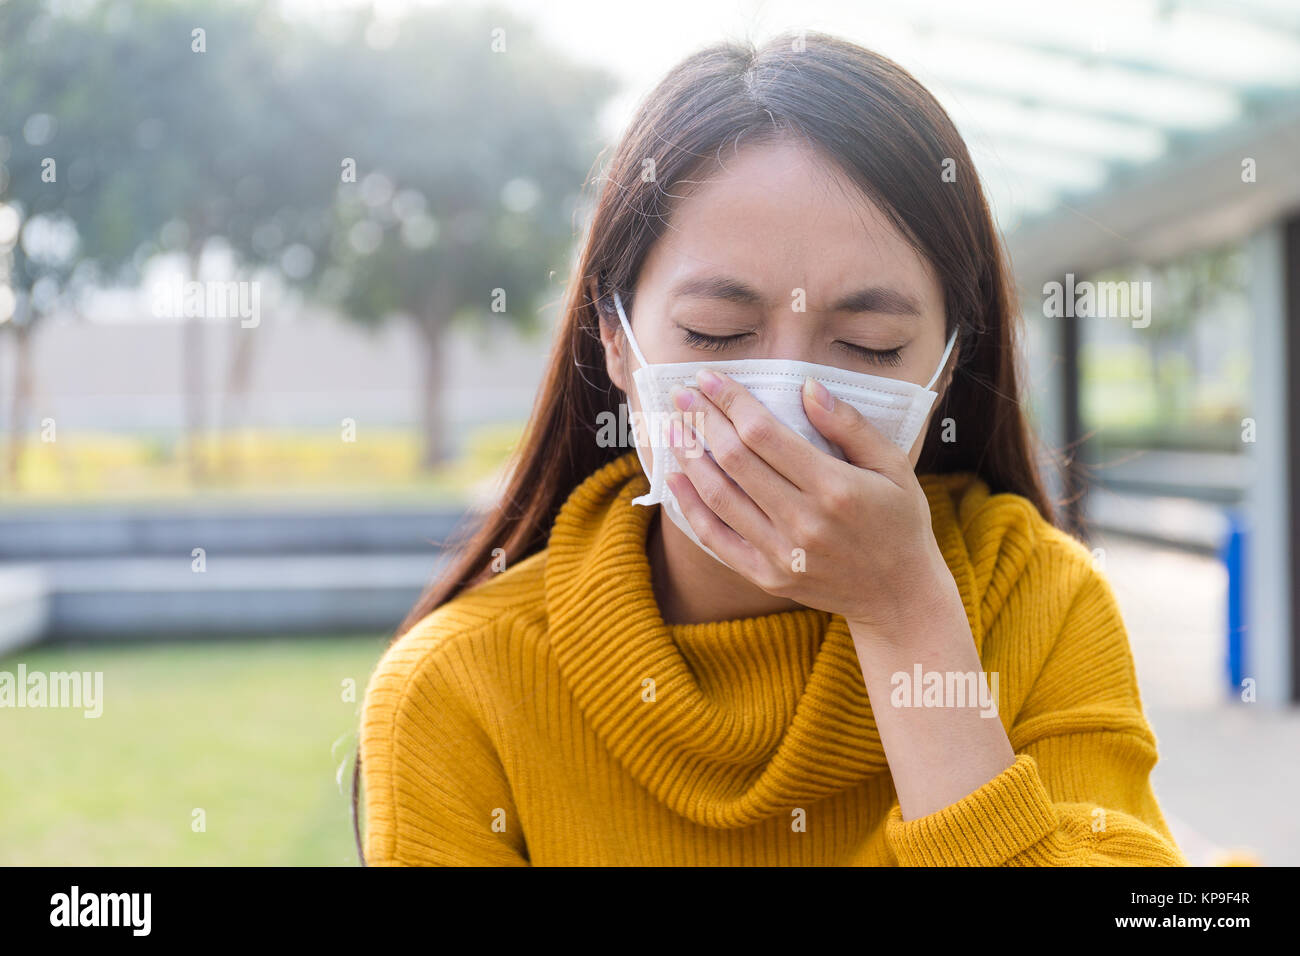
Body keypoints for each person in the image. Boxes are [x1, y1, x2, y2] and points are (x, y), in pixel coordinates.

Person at [353, 29, 1187, 866]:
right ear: (614, 334)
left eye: (868, 344)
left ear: (945, 364)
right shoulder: (459, 687)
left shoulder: (1039, 602)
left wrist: (906, 617)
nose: (782, 406)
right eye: (717, 331)